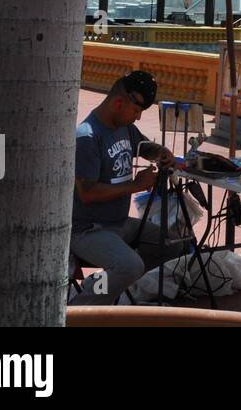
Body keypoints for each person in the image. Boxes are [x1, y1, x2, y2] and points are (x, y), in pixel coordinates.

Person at [70, 70, 174, 305]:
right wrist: (136, 185)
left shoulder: (124, 127)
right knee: (130, 265)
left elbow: (145, 147)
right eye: (136, 111)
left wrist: (161, 153)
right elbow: (87, 193)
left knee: (172, 244)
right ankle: (77, 312)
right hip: (88, 230)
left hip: (119, 223)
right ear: (118, 103)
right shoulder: (88, 137)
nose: (137, 118)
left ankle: (106, 286)